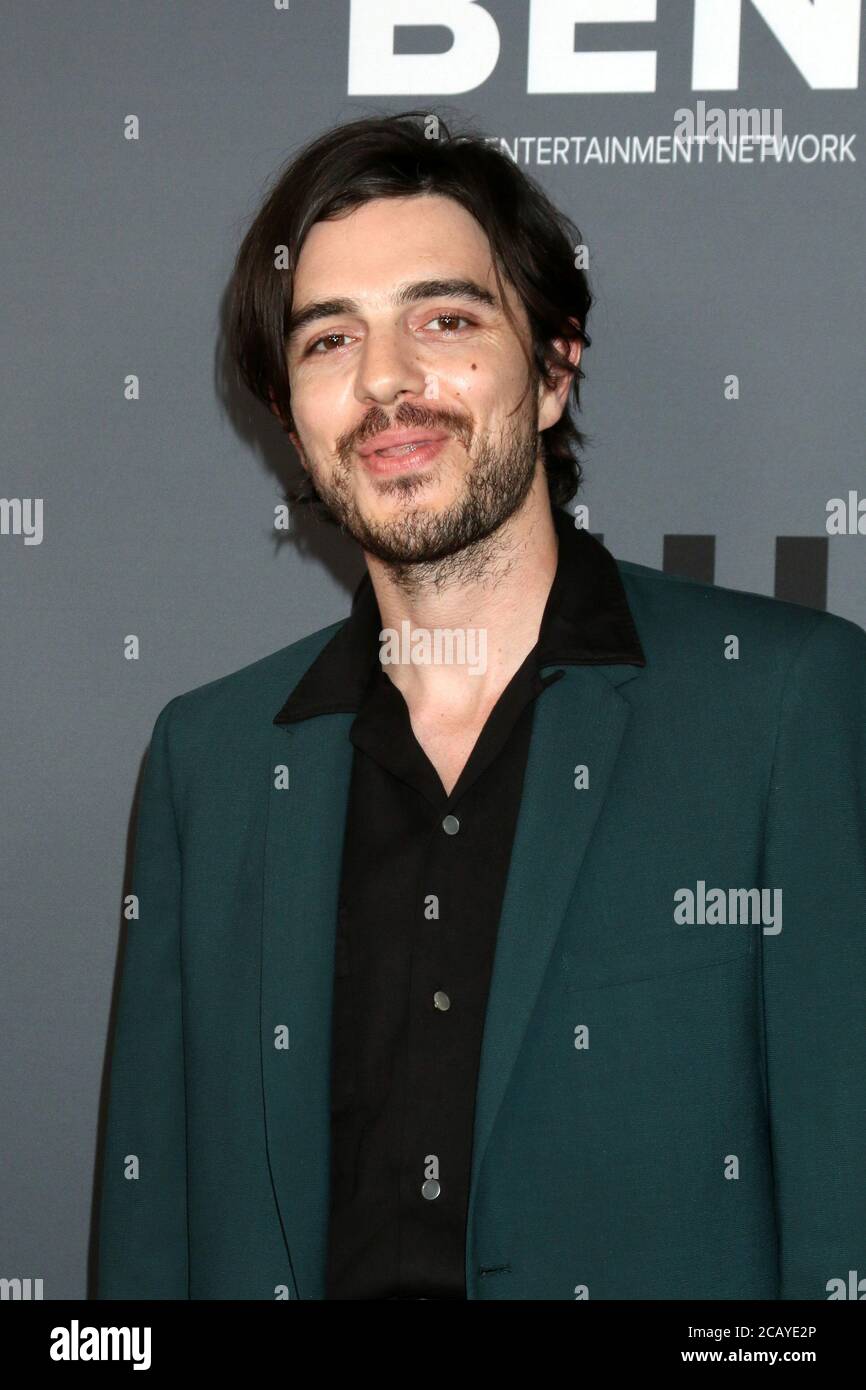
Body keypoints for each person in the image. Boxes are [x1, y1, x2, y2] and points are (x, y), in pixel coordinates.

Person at [96, 111, 866, 1301]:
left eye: (443, 321)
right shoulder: (212, 759)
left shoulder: (779, 706)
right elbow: (148, 1247)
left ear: (554, 368)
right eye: (327, 340)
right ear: (287, 408)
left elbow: (843, 1206)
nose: (387, 381)